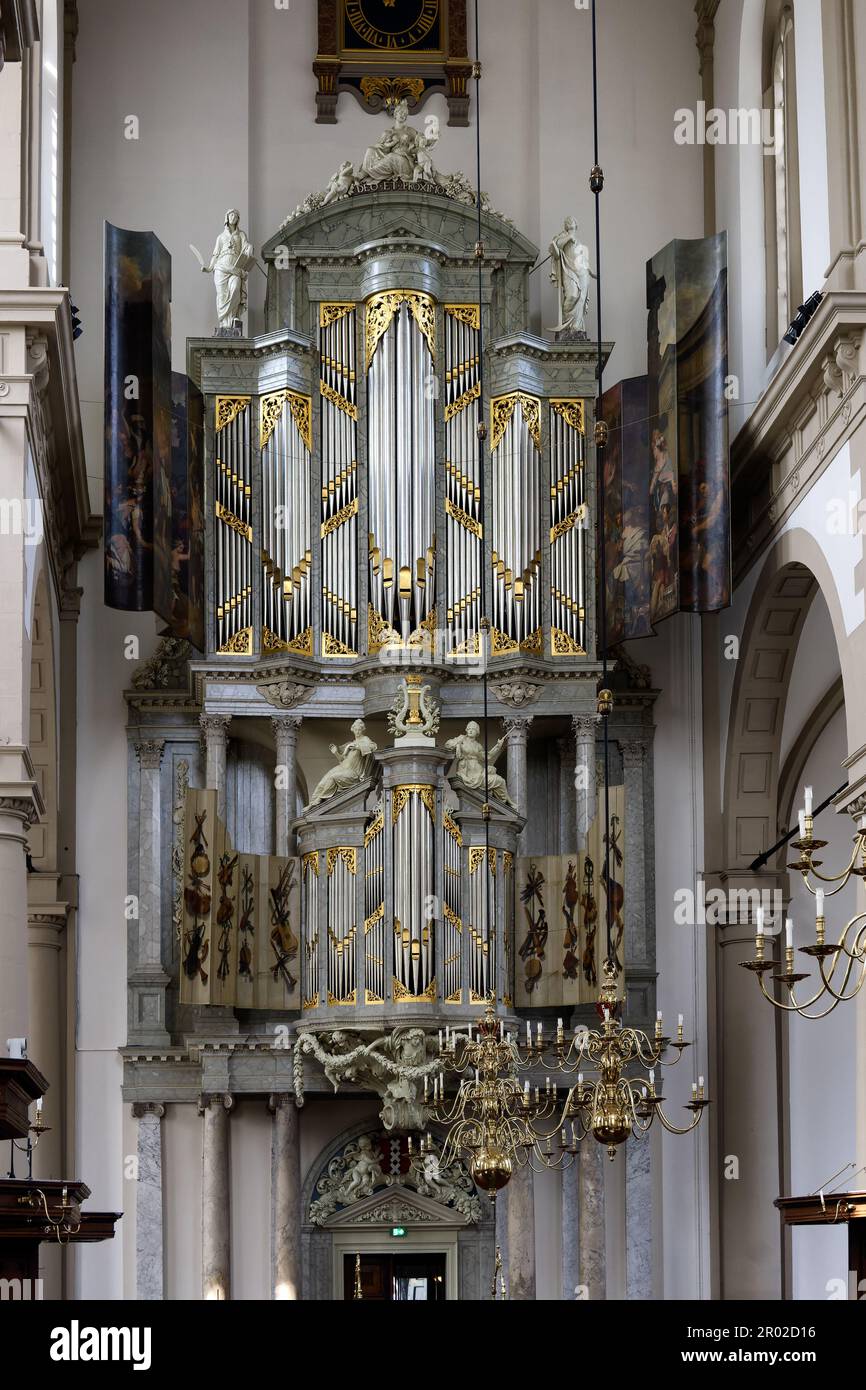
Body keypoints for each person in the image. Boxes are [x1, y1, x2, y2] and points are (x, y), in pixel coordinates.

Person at [202, 209, 255, 330]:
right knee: (222, 295)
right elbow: (215, 255)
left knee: (236, 287)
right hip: (221, 268)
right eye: (231, 215)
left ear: (238, 219)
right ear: (227, 217)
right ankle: (225, 324)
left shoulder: (241, 235)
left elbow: (246, 246)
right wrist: (209, 268)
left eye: (236, 216)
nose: (234, 217)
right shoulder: (220, 237)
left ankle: (233, 317)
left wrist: (250, 247)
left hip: (235, 269)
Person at [548, 217, 596, 335]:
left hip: (582, 272)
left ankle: (576, 327)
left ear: (576, 224)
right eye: (567, 221)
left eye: (572, 221)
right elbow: (556, 246)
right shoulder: (561, 237)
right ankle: (566, 325)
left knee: (581, 298)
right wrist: (569, 236)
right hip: (568, 270)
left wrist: (592, 272)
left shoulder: (578, 242)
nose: (570, 222)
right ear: (565, 226)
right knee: (572, 296)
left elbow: (583, 259)